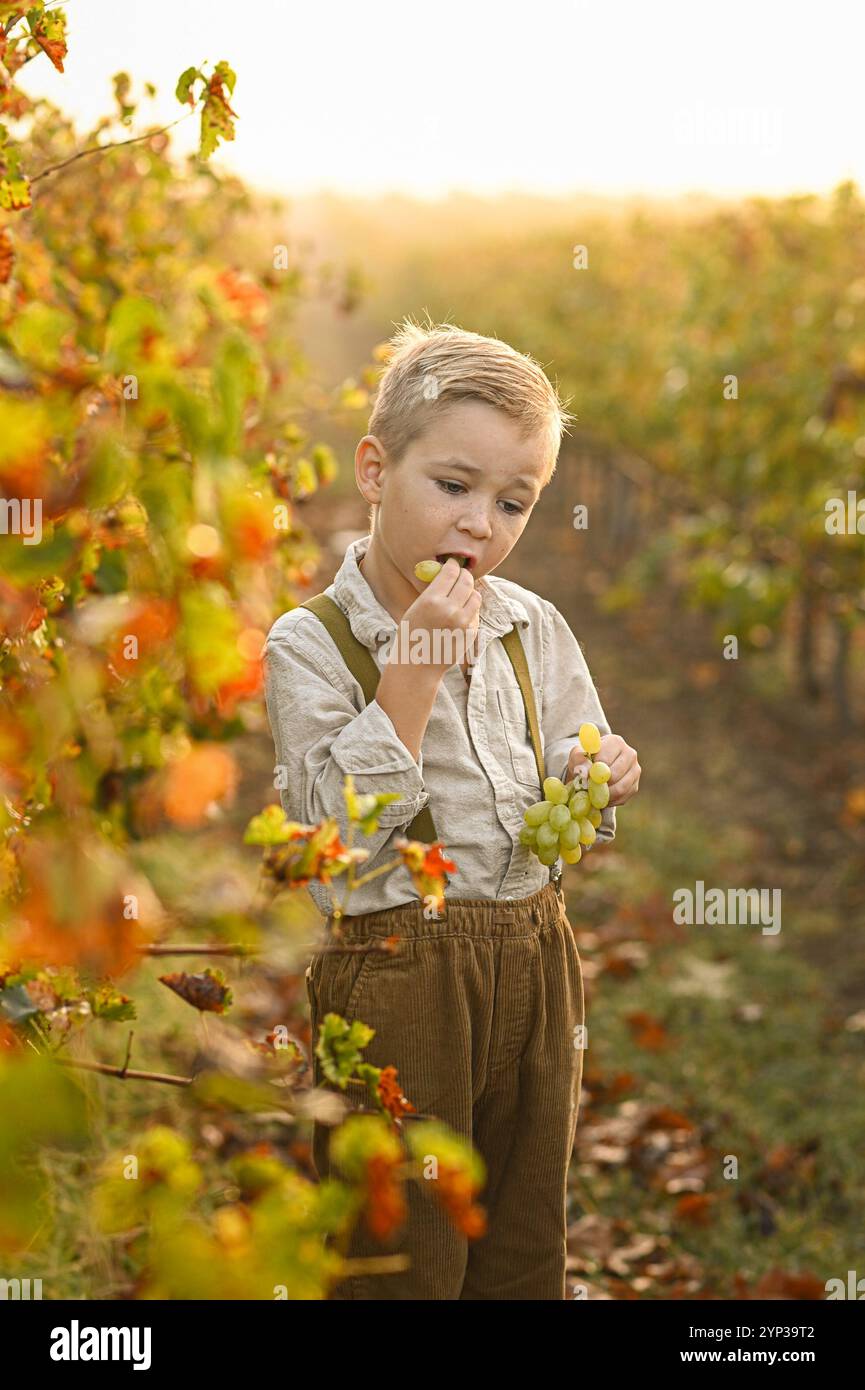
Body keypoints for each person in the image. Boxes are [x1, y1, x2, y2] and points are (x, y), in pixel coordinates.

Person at [263, 317, 641, 1299]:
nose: (482, 523)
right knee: (401, 1255)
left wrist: (592, 769)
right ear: (376, 471)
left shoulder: (531, 626)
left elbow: (566, 753)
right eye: (454, 486)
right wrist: (413, 674)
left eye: (514, 501)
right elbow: (326, 841)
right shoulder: (312, 644)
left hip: (536, 962)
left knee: (522, 1238)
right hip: (398, 980)